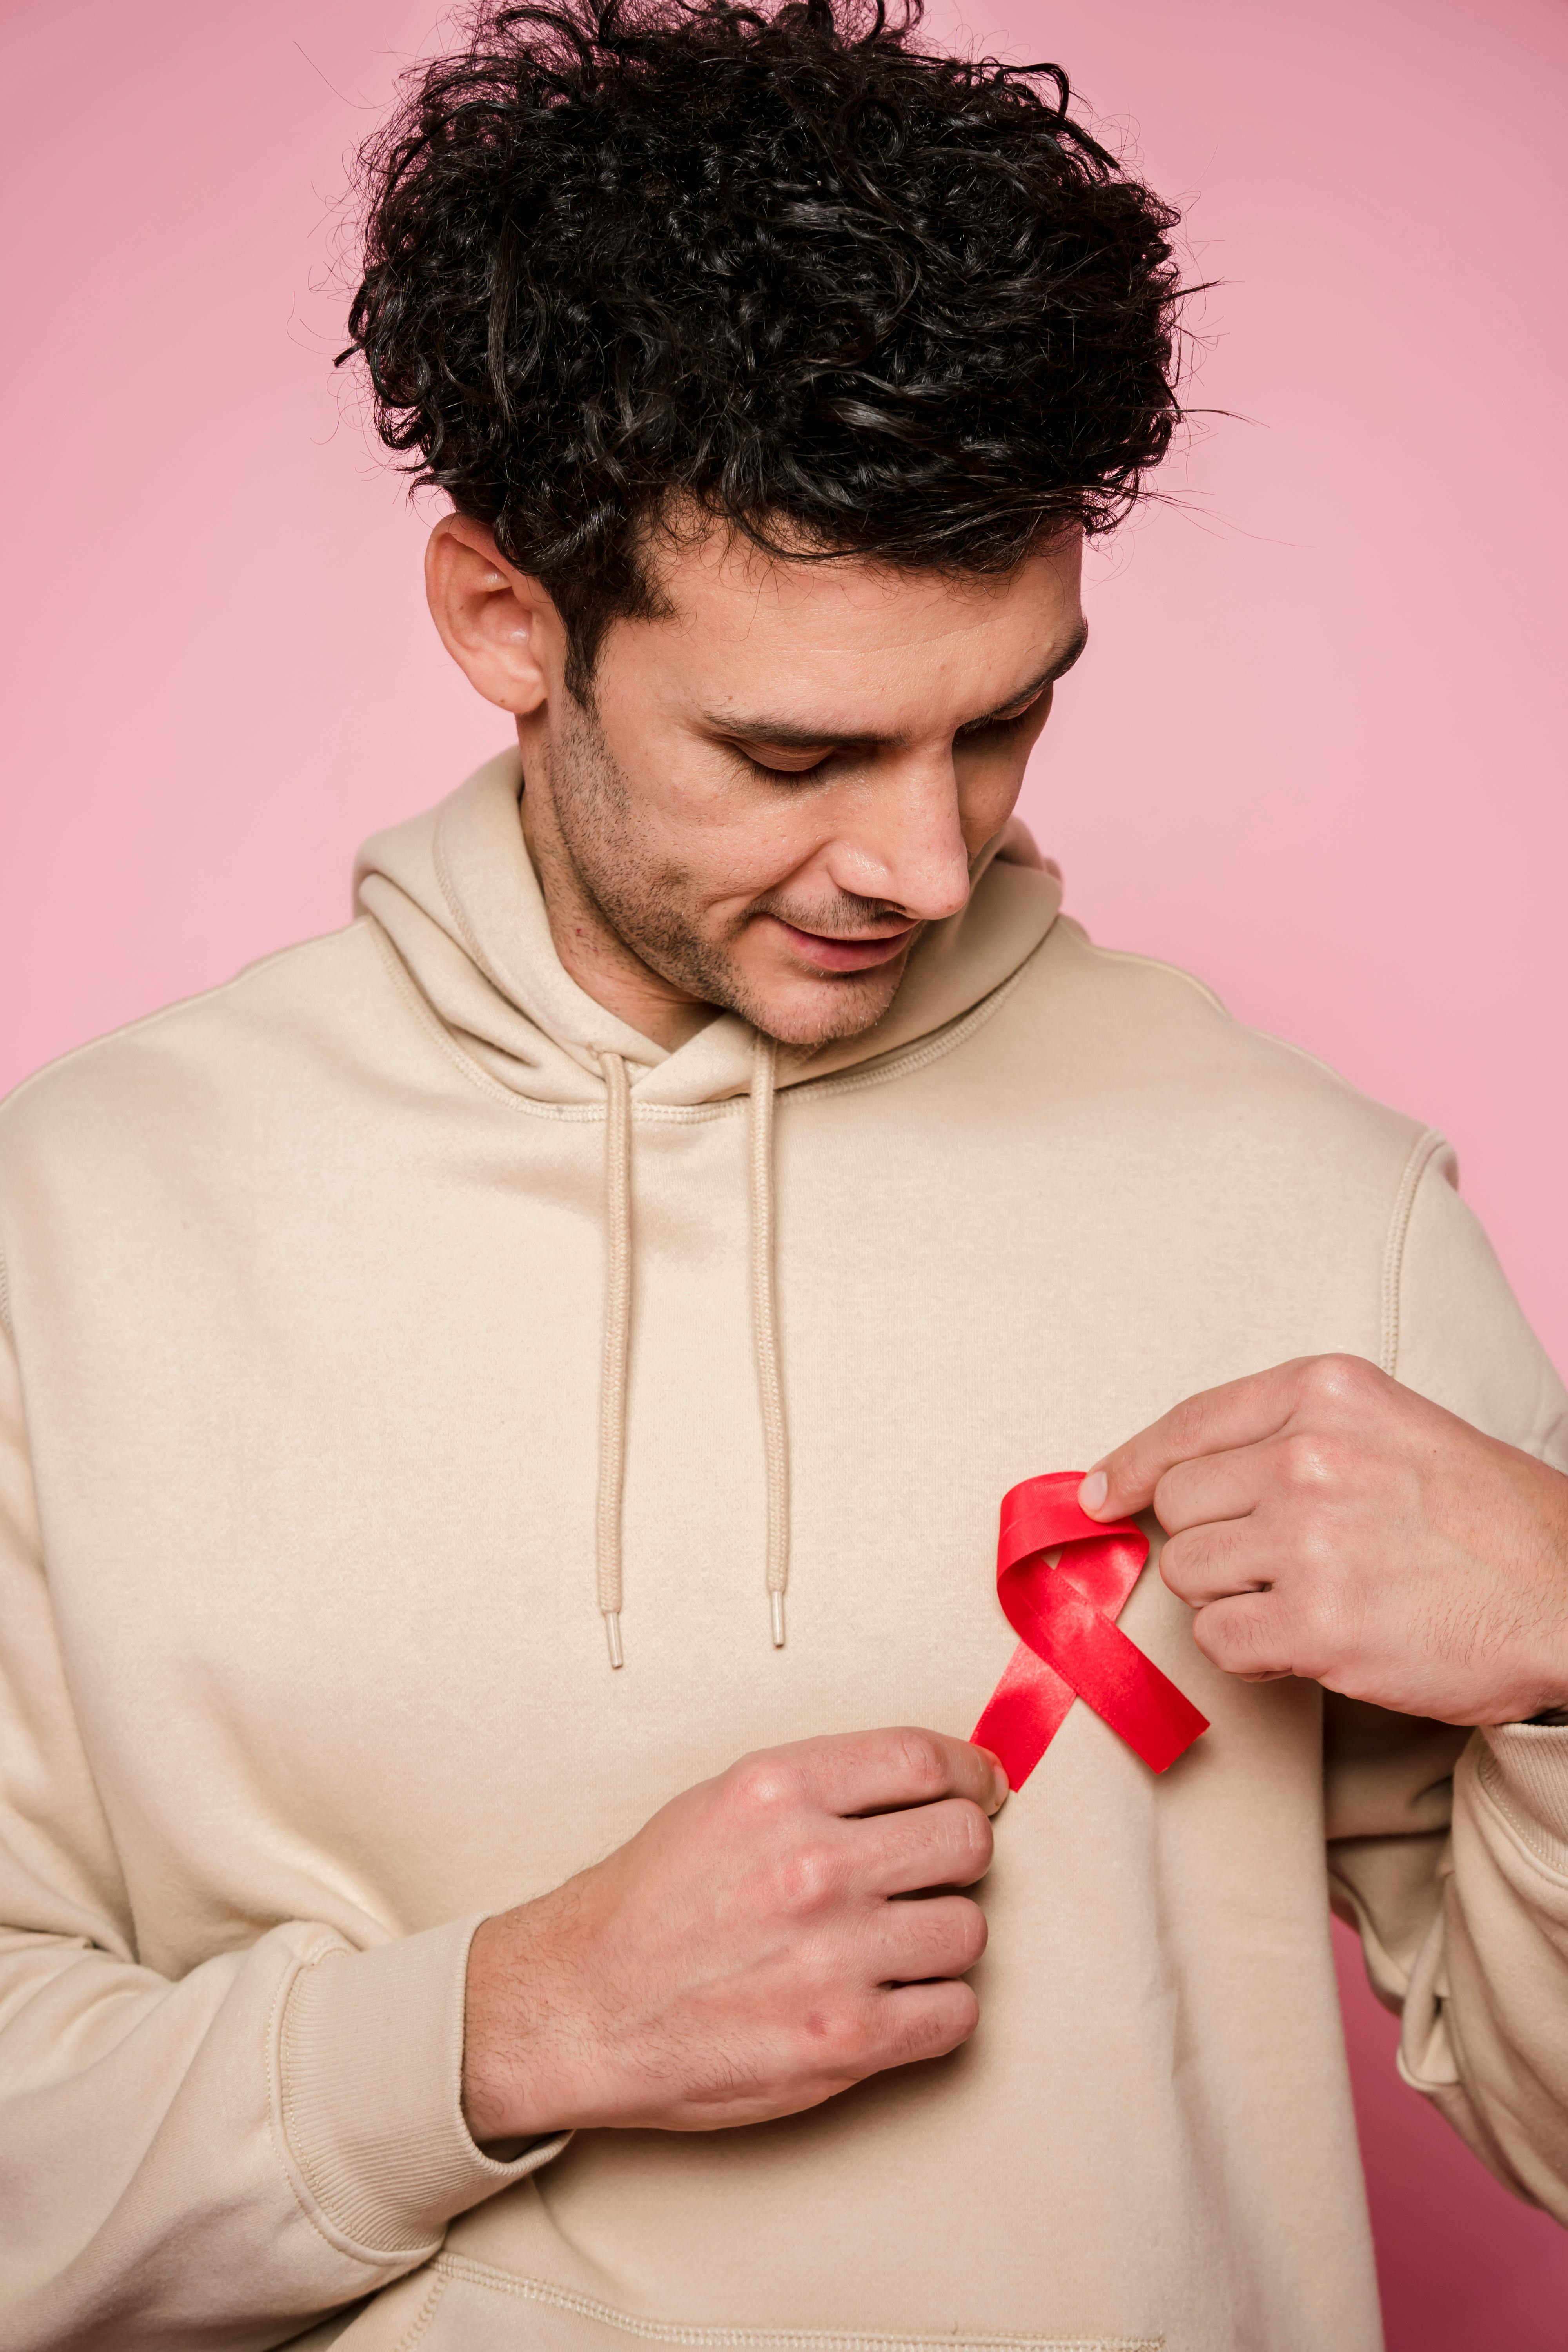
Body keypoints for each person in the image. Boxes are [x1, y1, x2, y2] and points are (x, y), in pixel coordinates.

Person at [2, 1, 1566, 2345]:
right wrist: (506, 2026)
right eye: (797, 748)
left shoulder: (1313, 1203)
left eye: (1006, 715)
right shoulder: (78, 1232)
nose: (929, 865)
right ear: (505, 625)